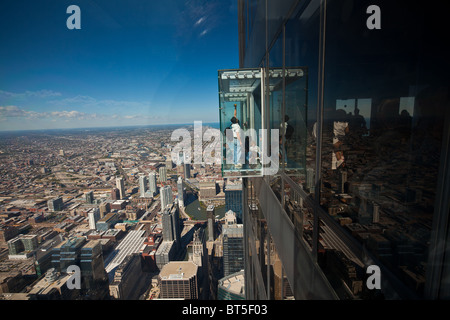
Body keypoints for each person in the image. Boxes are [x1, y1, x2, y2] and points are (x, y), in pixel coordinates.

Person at [230, 104, 242, 168]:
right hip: (237, 139)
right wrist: (240, 141)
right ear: (236, 120)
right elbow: (237, 134)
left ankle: (235, 162)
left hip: (234, 139)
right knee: (238, 151)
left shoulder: (233, 124)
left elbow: (234, 115)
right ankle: (237, 163)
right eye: (236, 118)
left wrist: (235, 108)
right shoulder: (237, 126)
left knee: (235, 151)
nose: (237, 118)